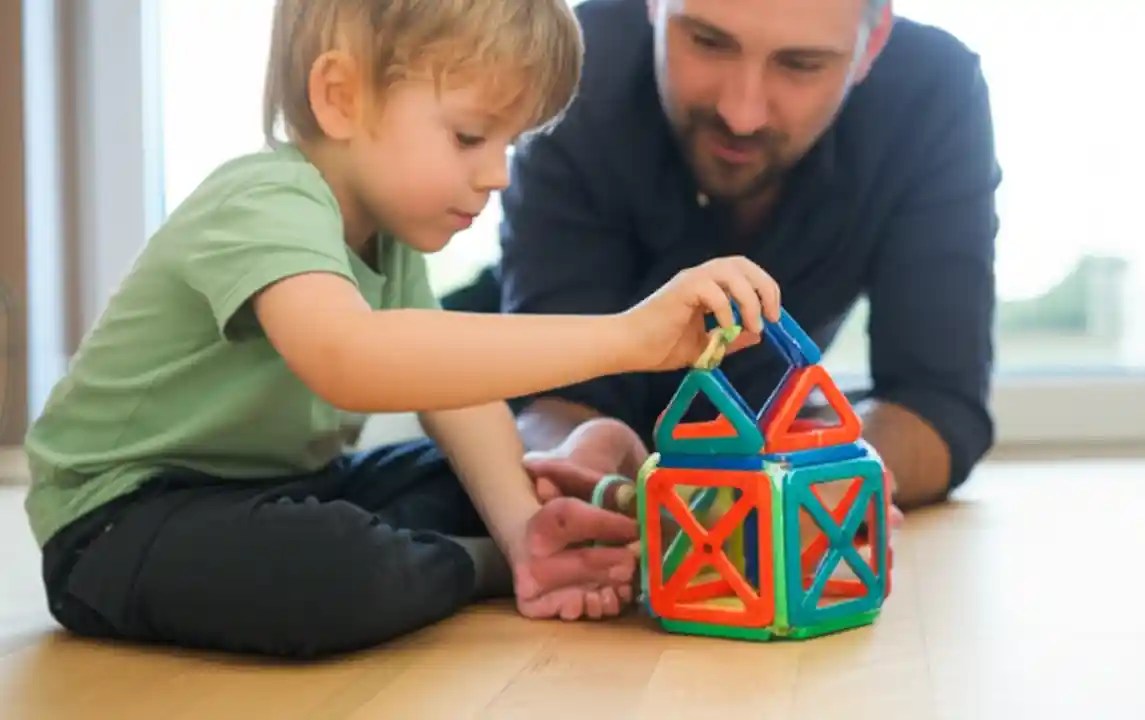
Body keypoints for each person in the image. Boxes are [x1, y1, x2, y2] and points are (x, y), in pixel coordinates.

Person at [22, 0, 784, 659]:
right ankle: (469, 566)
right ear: (340, 97)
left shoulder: (386, 236)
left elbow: (454, 394)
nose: (498, 176)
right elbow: (349, 358)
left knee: (505, 468)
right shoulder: (262, 199)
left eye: (510, 144)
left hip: (279, 491)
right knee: (338, 568)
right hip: (118, 524)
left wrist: (525, 529)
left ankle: (488, 552)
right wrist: (628, 336)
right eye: (469, 137)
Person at [478, 0, 1002, 513]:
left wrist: (827, 471)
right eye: (707, 42)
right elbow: (547, 395)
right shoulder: (582, 64)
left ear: (873, 45)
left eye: (801, 65)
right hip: (477, 382)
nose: (742, 114)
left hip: (772, 450)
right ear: (654, 7)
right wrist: (575, 454)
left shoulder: (932, 93)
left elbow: (938, 405)